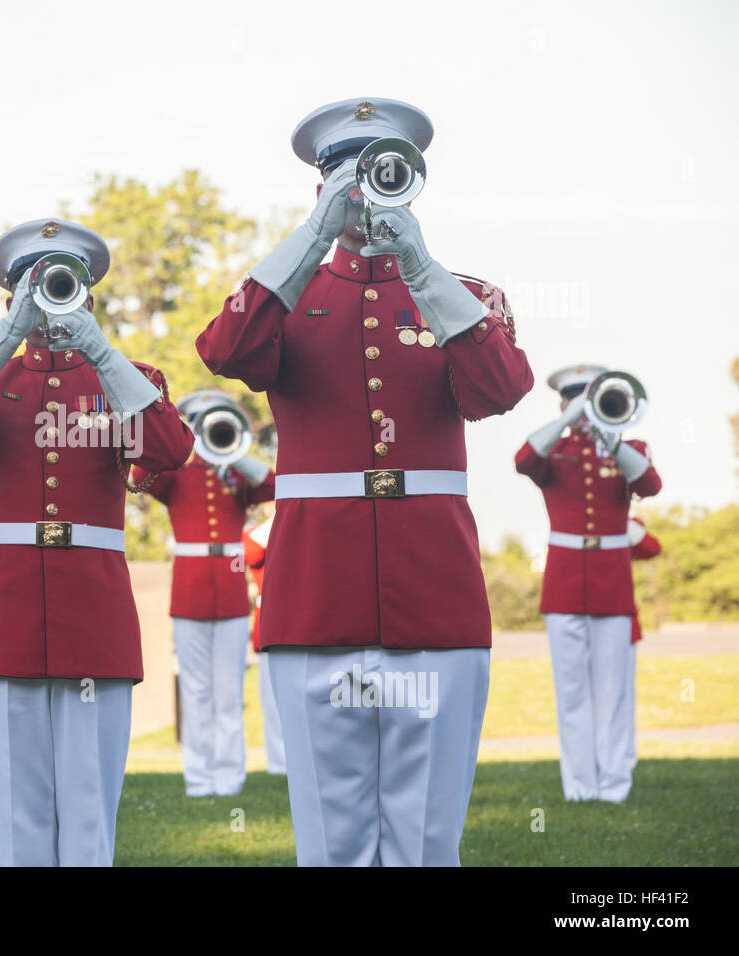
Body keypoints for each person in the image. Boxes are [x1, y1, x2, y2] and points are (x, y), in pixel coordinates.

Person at [197, 98, 534, 866]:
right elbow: (226, 349)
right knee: (331, 843)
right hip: (315, 598)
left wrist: (420, 263)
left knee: (424, 843)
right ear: (319, 189)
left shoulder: (463, 295)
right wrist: (313, 234)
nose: (360, 195)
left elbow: (500, 388)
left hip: (436, 595)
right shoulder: (290, 292)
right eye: (341, 179)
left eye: (377, 174)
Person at [0, 218, 193, 866]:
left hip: (94, 609)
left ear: (89, 295)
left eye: (63, 284)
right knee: (18, 814)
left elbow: (169, 450)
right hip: (8, 612)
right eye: (33, 289)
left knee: (89, 811)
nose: (51, 299)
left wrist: (100, 350)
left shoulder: (127, 375)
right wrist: (10, 331)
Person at [515, 364, 661, 802]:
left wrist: (609, 434)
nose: (581, 409)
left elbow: (650, 485)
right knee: (572, 691)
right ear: (562, 402)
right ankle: (580, 787)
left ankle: (614, 785)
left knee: (613, 690)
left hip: (612, 584)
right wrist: (565, 421)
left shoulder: (627, 445)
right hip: (563, 584)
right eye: (572, 400)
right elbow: (523, 461)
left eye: (589, 400)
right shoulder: (554, 449)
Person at [133, 390, 274, 796]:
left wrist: (232, 454)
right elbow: (141, 478)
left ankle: (229, 779)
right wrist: (184, 443)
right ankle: (198, 778)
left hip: (228, 593)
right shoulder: (180, 473)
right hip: (190, 591)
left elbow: (273, 486)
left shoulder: (236, 475)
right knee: (195, 690)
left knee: (228, 691)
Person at [242, 504, 286, 775]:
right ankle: (279, 764)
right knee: (272, 703)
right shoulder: (261, 533)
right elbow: (250, 552)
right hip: (270, 623)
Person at [626, 516, 661, 772]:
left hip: (622, 621)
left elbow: (652, 549)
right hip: (576, 617)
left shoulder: (627, 522)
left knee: (621, 697)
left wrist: (621, 523)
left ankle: (623, 759)